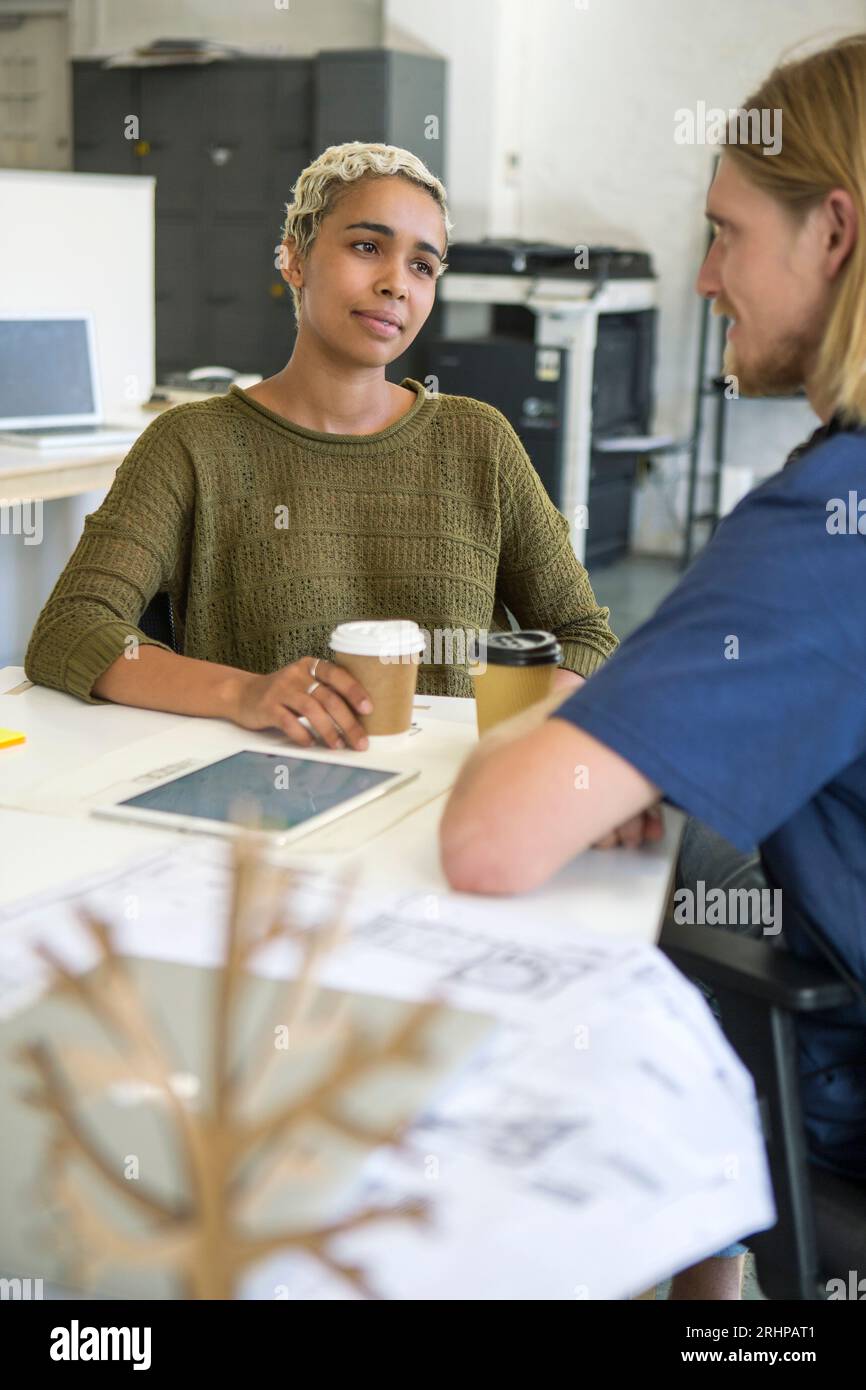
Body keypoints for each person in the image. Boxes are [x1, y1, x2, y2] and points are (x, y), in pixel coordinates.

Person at [440, 33, 866, 1299]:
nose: (700, 280)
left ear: (830, 234)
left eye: (725, 233)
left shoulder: (827, 530)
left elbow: (492, 840)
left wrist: (597, 736)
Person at [24, 142, 616, 751]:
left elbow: (583, 636)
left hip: (447, 795)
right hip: (268, 801)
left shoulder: (479, 440)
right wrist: (243, 693)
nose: (395, 284)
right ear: (294, 259)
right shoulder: (191, 446)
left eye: (423, 265)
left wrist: (528, 740)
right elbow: (72, 628)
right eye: (367, 247)